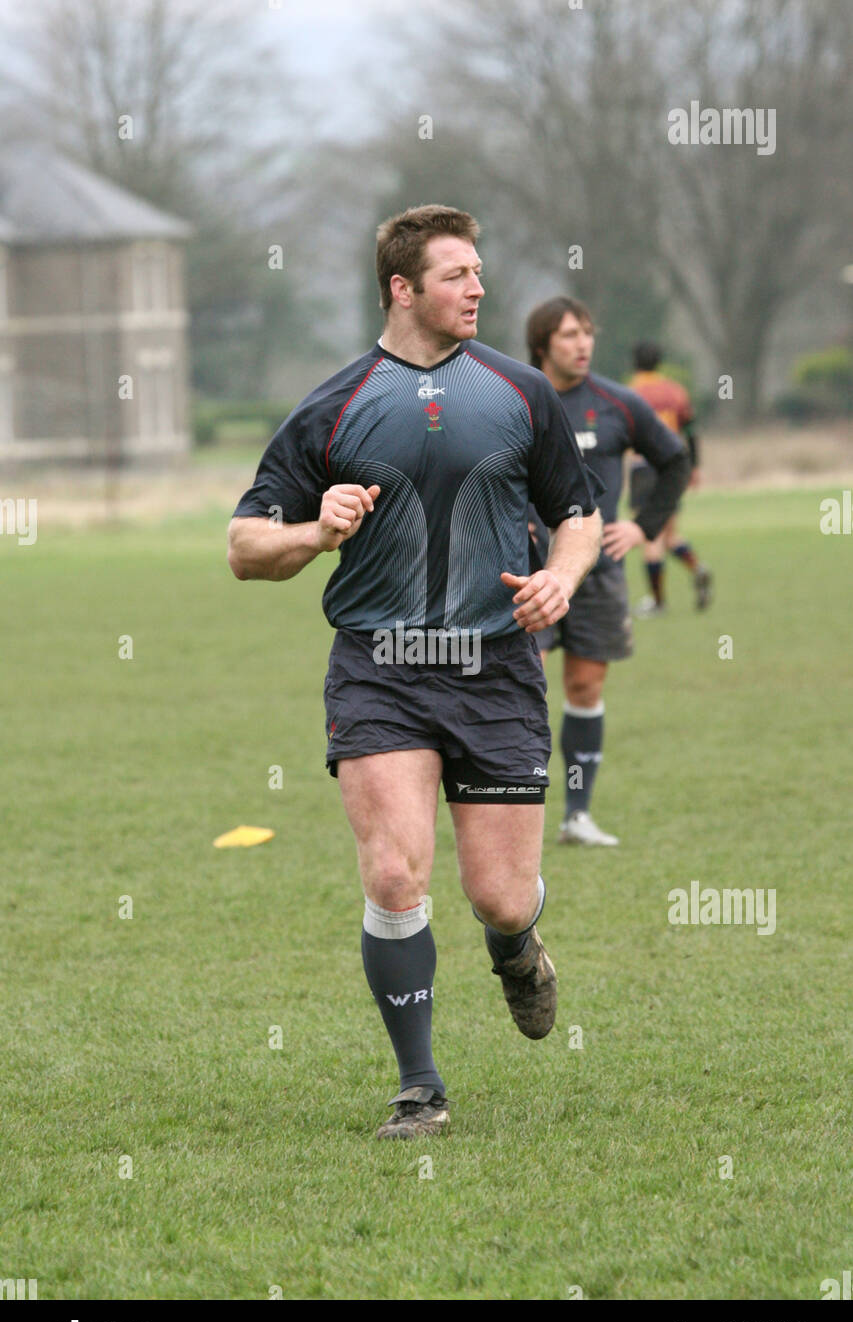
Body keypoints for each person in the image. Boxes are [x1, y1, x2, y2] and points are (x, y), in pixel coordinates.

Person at [227, 207, 602, 1141]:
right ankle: (419, 1086)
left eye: (479, 273)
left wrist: (560, 575)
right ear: (402, 289)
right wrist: (317, 529)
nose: (477, 289)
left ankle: (516, 949)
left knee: (498, 896)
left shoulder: (520, 394)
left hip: (494, 669)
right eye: (455, 276)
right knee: (395, 875)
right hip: (380, 671)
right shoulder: (333, 407)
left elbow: (578, 513)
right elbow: (243, 546)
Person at [526, 297, 691, 847]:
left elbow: (675, 460)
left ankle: (577, 815)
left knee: (585, 683)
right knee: (525, 685)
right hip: (528, 573)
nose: (583, 343)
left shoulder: (619, 403)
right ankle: (515, 812)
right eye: (570, 334)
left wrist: (645, 528)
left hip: (598, 573)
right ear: (543, 344)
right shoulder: (516, 399)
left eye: (588, 333)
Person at [628, 341, 713, 615]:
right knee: (669, 534)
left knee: (649, 536)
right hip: (672, 467)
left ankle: (658, 602)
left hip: (643, 467)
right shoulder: (676, 391)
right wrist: (695, 466)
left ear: (636, 363)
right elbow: (690, 430)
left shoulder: (631, 393)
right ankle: (697, 567)